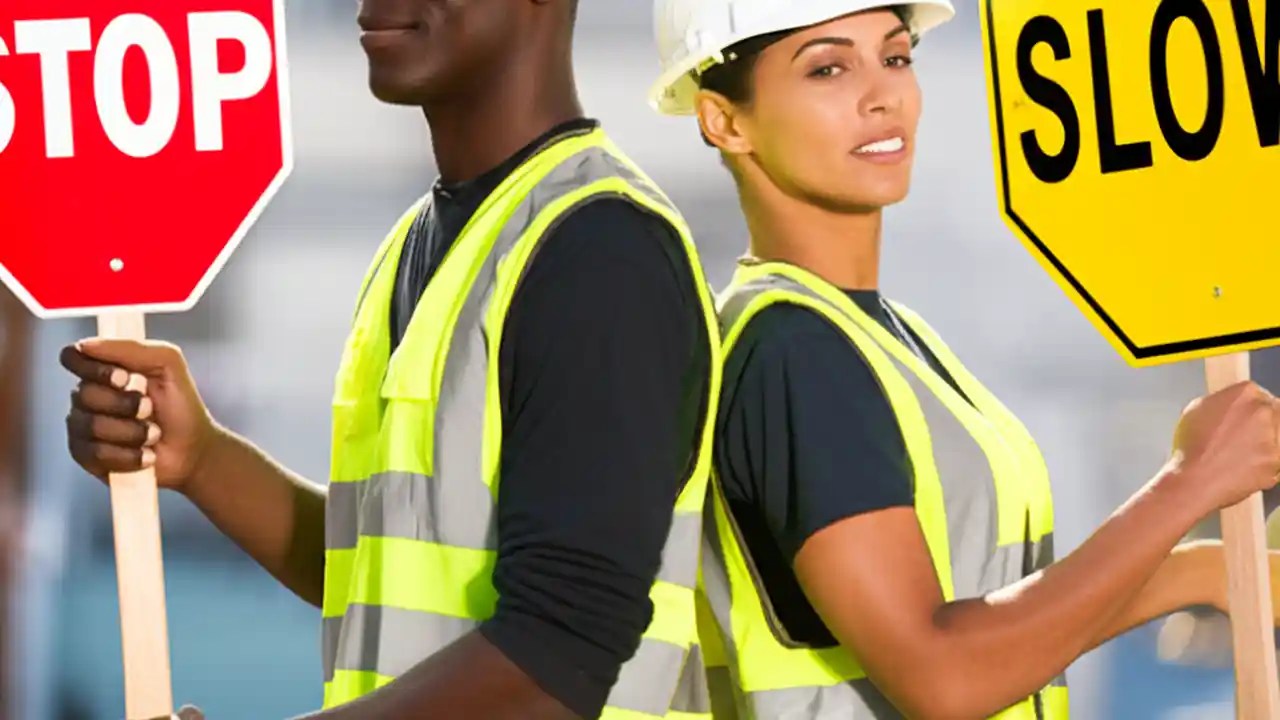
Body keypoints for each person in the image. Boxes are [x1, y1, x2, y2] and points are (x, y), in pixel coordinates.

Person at [61, 1, 721, 718]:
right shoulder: (422, 242)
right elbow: (377, 568)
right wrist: (205, 460)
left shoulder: (602, 256)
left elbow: (558, 656)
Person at [647, 1, 1280, 717]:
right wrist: (1189, 484)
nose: (883, 95)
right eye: (827, 69)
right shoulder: (796, 352)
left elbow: (991, 617)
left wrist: (1191, 574)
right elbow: (945, 676)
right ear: (724, 121)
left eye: (895, 57)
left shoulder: (885, 336)